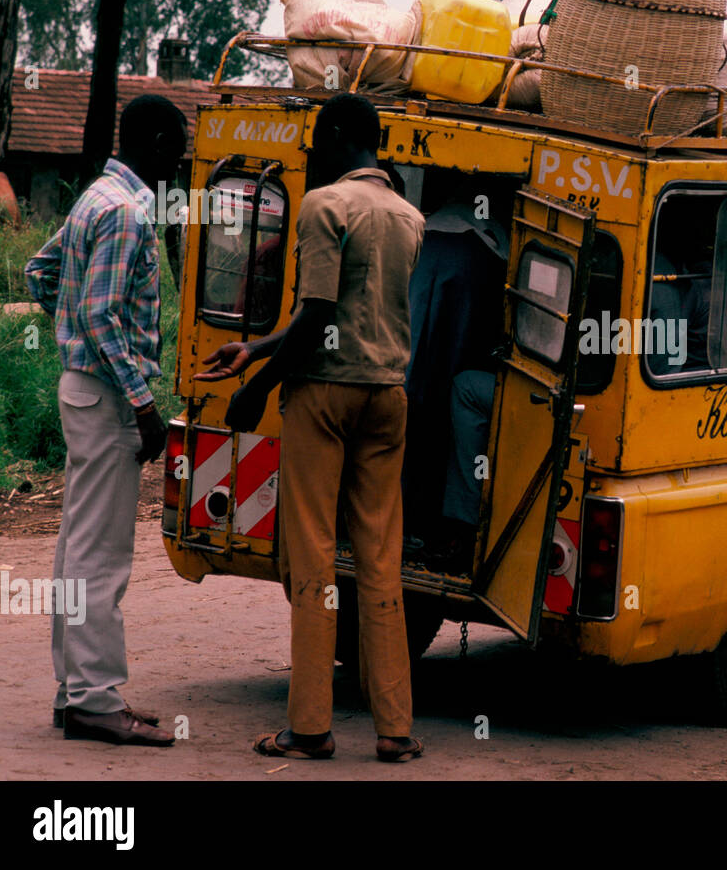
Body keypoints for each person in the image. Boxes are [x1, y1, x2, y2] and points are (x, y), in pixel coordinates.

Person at [195, 94, 424, 762]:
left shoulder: (327, 206)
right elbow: (339, 313)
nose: (311, 153)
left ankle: (310, 728)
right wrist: (257, 349)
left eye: (317, 140)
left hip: (324, 396)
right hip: (387, 398)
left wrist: (256, 389)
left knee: (313, 558)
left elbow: (320, 312)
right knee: (382, 561)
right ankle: (395, 730)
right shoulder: (409, 218)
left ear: (340, 137)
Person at [25, 94, 187, 747]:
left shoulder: (96, 198)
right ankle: (94, 701)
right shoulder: (126, 213)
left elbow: (43, 272)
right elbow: (101, 317)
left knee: (77, 544)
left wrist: (68, 331)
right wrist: (143, 406)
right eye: (174, 149)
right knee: (102, 551)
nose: (177, 163)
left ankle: (76, 693)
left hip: (81, 387)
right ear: (151, 143)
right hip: (108, 394)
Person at [403, 171, 511, 572]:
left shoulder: (423, 233)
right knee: (447, 404)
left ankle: (407, 522)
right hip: (455, 356)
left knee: (413, 405)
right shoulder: (489, 247)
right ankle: (443, 526)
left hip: (405, 367)